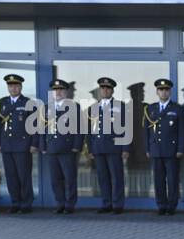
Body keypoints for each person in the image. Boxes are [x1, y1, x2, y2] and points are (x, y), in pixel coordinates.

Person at [0, 73, 37, 214]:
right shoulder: (1, 103)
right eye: (10, 86)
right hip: (7, 145)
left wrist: (33, 144)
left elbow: (34, 125)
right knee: (11, 175)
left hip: (23, 145)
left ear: (20, 87)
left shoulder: (28, 103)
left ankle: (26, 204)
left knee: (24, 176)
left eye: (15, 86)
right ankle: (15, 202)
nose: (13, 89)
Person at [144, 78, 184, 215]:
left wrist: (180, 149)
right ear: (157, 92)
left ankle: (172, 205)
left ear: (170, 92)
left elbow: (182, 131)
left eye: (166, 90)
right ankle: (161, 205)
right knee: (158, 180)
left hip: (172, 150)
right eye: (161, 90)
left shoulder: (177, 109)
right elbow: (146, 131)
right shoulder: (150, 109)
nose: (163, 92)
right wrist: (147, 148)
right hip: (156, 150)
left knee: (172, 180)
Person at [41, 79, 84, 215]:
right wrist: (43, 146)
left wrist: (77, 146)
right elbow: (42, 129)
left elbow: (80, 128)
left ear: (66, 92)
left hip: (68, 149)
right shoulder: (46, 108)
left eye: (60, 90)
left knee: (70, 179)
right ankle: (60, 203)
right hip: (52, 148)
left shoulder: (74, 107)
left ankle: (70, 204)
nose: (58, 92)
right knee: (56, 180)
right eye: (56, 90)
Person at [87, 77, 128, 214]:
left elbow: (126, 128)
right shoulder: (93, 108)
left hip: (114, 147)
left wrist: (125, 148)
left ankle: (117, 204)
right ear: (100, 90)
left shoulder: (120, 106)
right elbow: (89, 130)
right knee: (103, 177)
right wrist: (90, 148)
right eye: (103, 88)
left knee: (116, 177)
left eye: (108, 88)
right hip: (98, 147)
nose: (105, 90)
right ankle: (106, 203)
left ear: (112, 90)